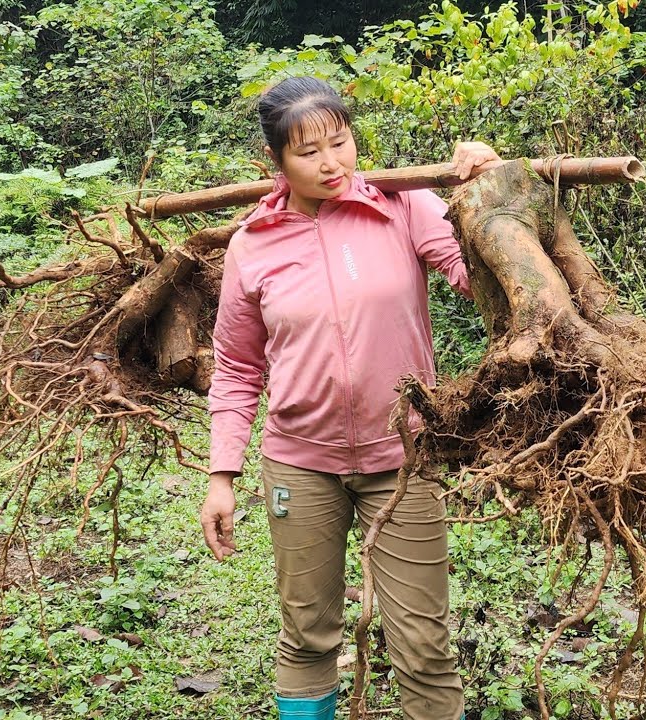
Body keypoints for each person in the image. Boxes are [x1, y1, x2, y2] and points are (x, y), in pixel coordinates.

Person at [197, 76, 500, 720]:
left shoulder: (403, 206)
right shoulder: (252, 245)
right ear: (274, 162)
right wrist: (222, 474)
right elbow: (236, 365)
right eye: (309, 153)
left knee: (422, 643)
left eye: (341, 142)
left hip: (404, 457)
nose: (331, 162)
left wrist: (485, 194)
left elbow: (476, 278)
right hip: (300, 463)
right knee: (307, 637)